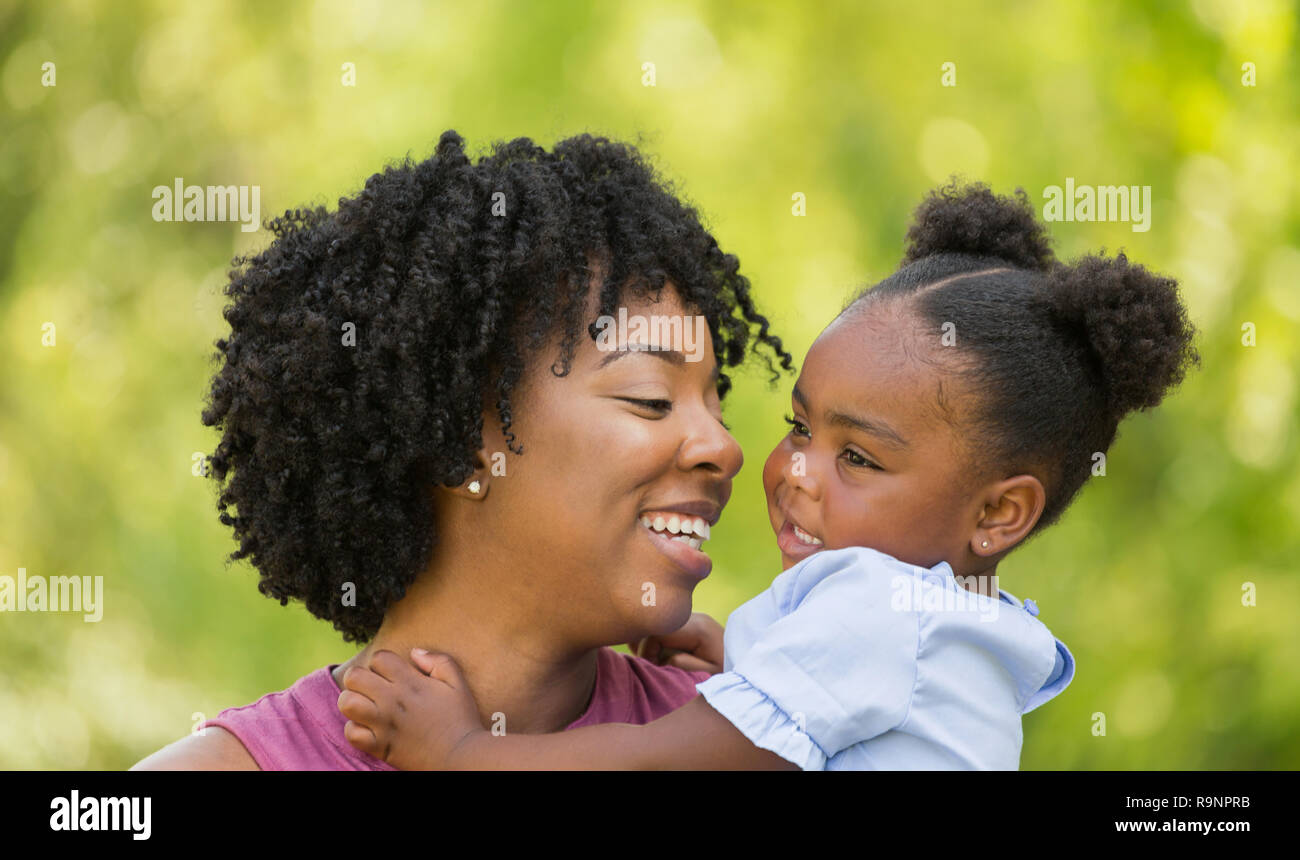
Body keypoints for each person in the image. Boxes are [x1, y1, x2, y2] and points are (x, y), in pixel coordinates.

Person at [338, 180, 1200, 770]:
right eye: (798, 427)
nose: (790, 471)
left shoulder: (880, 615)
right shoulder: (941, 625)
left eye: (857, 458)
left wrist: (459, 752)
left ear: (1001, 513)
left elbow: (656, 763)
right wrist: (739, 656)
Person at [132, 130, 791, 769]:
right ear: (458, 444)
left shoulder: (757, 749)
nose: (723, 447)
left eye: (715, 403)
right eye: (651, 398)